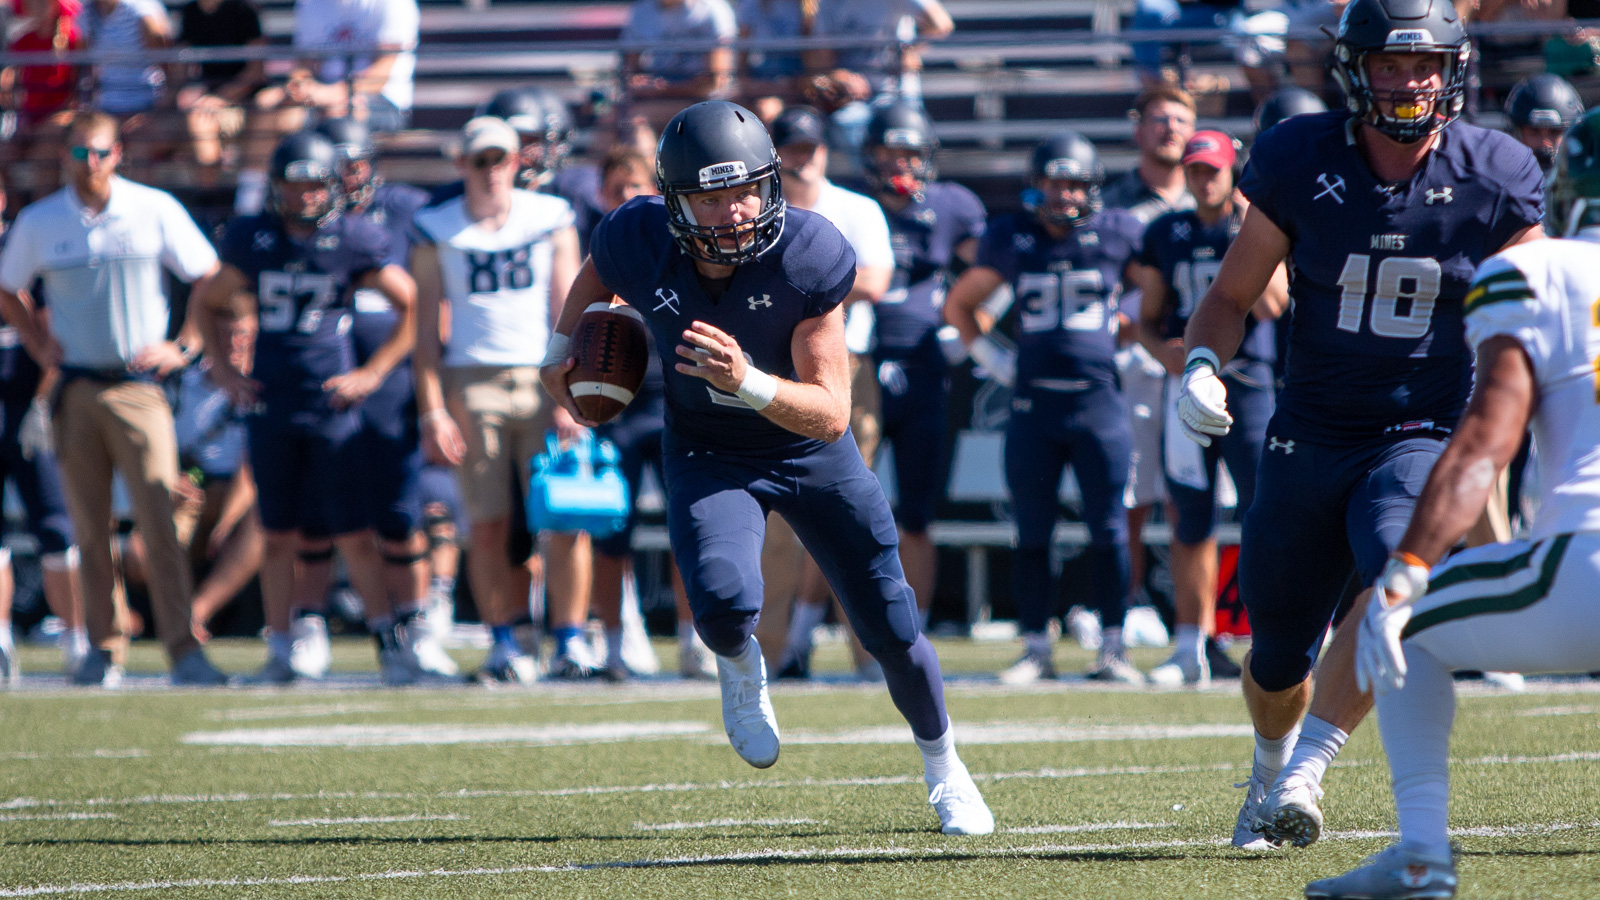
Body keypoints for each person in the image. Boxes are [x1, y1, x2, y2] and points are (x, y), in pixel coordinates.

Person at [542, 100, 993, 834]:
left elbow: (832, 412)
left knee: (892, 627)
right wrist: (559, 354)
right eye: (713, 196)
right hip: (709, 450)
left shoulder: (809, 251)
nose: (736, 209)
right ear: (674, 201)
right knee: (721, 605)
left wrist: (746, 380)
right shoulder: (636, 232)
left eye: (747, 187)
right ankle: (740, 667)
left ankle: (946, 768)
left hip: (809, 450)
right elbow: (599, 276)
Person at [1175, 0, 1544, 851]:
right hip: (1309, 431)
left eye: (1424, 65)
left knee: (1395, 580)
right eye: (1390, 63)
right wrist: (1202, 364)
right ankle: (1268, 770)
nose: (1409, 81)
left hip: (1421, 429)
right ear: (1354, 70)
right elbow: (1229, 299)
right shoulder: (1298, 158)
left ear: (1453, 72)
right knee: (1274, 656)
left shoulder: (1496, 172)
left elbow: (1534, 311)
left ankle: (1306, 771)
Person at [1304, 107, 1600, 900]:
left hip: (1588, 564)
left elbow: (1484, 444)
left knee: (1404, 623)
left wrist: (1406, 568)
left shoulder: (1539, 272)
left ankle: (1423, 854)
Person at [0, 111, 228, 687]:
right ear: (65, 157)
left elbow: (208, 274)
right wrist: (36, 341)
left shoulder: (152, 208)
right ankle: (103, 647)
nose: (90, 165)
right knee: (88, 528)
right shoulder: (41, 219)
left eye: (99, 153)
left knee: (158, 519)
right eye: (79, 154)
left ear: (118, 153)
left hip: (139, 385)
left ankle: (183, 647)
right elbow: (7, 286)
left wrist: (186, 344)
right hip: (74, 385)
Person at [197, 130, 420, 685]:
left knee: (353, 533)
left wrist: (370, 373)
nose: (304, 197)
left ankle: (387, 642)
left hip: (329, 405)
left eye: (314, 185)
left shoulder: (352, 239)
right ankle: (280, 647)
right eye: (293, 186)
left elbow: (413, 305)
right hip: (273, 403)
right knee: (276, 534)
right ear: (276, 188)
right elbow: (207, 299)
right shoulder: (254, 237)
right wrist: (225, 370)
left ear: (332, 187)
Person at [944, 131, 1148, 685]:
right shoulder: (1013, 237)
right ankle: (1036, 646)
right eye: (1054, 185)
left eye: (1074, 185)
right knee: (1033, 530)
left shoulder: (1118, 235)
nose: (1064, 197)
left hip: (1098, 404)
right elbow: (959, 304)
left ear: (1093, 190)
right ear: (1035, 187)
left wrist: (1128, 333)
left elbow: (1158, 295)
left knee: (1109, 528)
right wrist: (995, 357)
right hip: (1035, 407)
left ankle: (1113, 647)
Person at [412, 116, 592, 683]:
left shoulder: (551, 217)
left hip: (544, 375)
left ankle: (570, 641)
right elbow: (424, 330)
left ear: (519, 161)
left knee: (565, 516)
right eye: (480, 160)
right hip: (473, 380)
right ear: (461, 164)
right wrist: (432, 408)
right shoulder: (435, 226)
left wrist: (571, 394)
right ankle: (504, 641)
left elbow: (570, 308)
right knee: (486, 524)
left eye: (501, 158)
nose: (492, 171)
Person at [283, 116, 456, 679]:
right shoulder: (298, 225)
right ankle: (307, 623)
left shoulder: (405, 210)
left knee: (396, 511)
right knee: (315, 512)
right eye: (338, 167)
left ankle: (415, 624)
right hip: (320, 381)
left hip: (388, 383)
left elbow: (429, 293)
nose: (348, 176)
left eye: (355, 164)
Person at [1131, 131, 1285, 688]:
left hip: (1249, 383)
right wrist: (1161, 353)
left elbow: (1274, 303)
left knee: (1262, 512)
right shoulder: (1165, 233)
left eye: (1212, 169)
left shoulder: (1258, 223)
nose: (1203, 179)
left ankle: (1271, 636)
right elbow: (1147, 318)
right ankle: (1190, 645)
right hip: (1192, 386)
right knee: (1190, 517)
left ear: (1232, 172)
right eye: (1194, 170)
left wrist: (1248, 233)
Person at [756, 104, 894, 681]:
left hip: (846, 370)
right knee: (779, 523)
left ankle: (873, 653)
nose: (803, 157)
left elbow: (877, 281)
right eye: (792, 147)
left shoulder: (856, 207)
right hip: (769, 368)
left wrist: (792, 282)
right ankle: (768, 652)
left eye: (812, 147)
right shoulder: (759, 209)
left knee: (847, 510)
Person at [588, 145, 714, 682]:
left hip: (673, 400)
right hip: (614, 406)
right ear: (600, 193)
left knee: (688, 526)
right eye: (615, 188)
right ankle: (613, 641)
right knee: (608, 531)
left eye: (634, 186)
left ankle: (695, 640)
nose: (625, 198)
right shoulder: (601, 246)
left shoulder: (680, 244)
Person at [860, 102, 985, 630]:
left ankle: (915, 625)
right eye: (889, 154)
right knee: (837, 511)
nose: (900, 165)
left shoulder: (953, 205)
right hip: (858, 365)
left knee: (916, 513)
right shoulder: (854, 205)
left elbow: (994, 271)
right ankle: (803, 630)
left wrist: (969, 334)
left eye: (910, 153)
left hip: (927, 367)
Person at [1100, 85, 1197, 654]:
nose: (1168, 129)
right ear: (1138, 129)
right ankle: (1128, 609)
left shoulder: (1210, 195)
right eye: (1158, 118)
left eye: (1179, 119)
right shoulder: (1114, 202)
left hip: (1196, 362)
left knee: (1191, 501)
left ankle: (1195, 629)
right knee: (1132, 497)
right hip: (1136, 359)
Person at [0, 168, 88, 684]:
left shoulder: (25, 247)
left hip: (26, 405)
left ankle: (77, 639)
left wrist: (41, 400)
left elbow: (55, 333)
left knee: (56, 526)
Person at [173, 0, 266, 184]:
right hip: (206, 101)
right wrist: (179, 94)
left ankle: (208, 199)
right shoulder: (190, 12)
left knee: (200, 120)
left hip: (243, 103)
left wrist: (218, 98)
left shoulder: (244, 10)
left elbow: (255, 72)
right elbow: (179, 70)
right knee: (142, 134)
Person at [619, 0, 737, 130]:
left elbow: (716, 82)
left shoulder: (713, 9)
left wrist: (664, 89)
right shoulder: (641, 11)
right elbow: (629, 70)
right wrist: (638, 84)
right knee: (611, 117)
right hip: (659, 98)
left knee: (636, 120)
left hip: (707, 101)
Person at [1504, 72, 1585, 174]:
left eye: (1554, 132)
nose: (1545, 143)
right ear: (1517, 134)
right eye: (1535, 132)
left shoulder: (1586, 182)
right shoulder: (1501, 183)